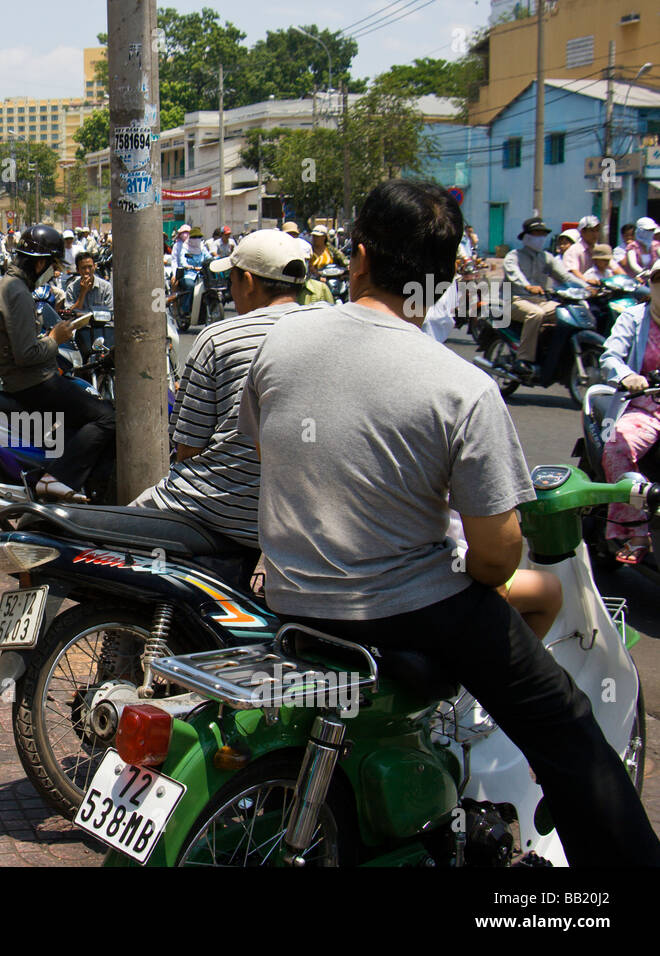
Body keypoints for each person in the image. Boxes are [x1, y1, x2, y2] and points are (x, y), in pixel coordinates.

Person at [238, 177, 660, 867]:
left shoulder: (284, 342)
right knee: (566, 728)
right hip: (407, 612)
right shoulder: (461, 386)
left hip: (289, 598)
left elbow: (270, 449)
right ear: (442, 282)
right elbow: (494, 560)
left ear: (361, 256)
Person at [131, 230, 310, 590]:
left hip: (219, 507)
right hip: (295, 514)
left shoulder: (219, 338)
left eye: (230, 278)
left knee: (109, 545)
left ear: (246, 280)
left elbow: (187, 449)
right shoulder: (328, 330)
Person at [0, 224, 115, 500]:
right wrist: (55, 338)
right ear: (40, 262)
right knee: (110, 416)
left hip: (29, 379)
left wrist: (51, 336)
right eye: (53, 266)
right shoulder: (16, 292)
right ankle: (58, 478)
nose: (54, 273)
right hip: (34, 383)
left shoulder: (10, 286)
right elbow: (26, 354)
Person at [600, 269, 660, 566]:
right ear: (651, 285)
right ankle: (638, 531)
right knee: (618, 447)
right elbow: (610, 356)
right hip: (644, 408)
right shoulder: (633, 318)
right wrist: (628, 376)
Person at [504, 216, 581, 376]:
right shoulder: (514, 255)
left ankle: (552, 355)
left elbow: (565, 276)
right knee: (536, 314)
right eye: (536, 233)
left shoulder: (546, 257)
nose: (540, 237)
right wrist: (527, 286)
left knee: (566, 313)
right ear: (526, 236)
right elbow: (514, 274)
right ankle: (523, 359)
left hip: (541, 300)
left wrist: (588, 286)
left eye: (542, 234)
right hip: (515, 300)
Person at [562, 215, 602, 286]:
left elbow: (613, 266)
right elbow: (573, 271)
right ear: (582, 232)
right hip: (579, 289)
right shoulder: (574, 250)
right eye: (592, 231)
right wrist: (586, 281)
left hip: (598, 288)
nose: (595, 234)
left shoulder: (599, 249)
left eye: (597, 230)